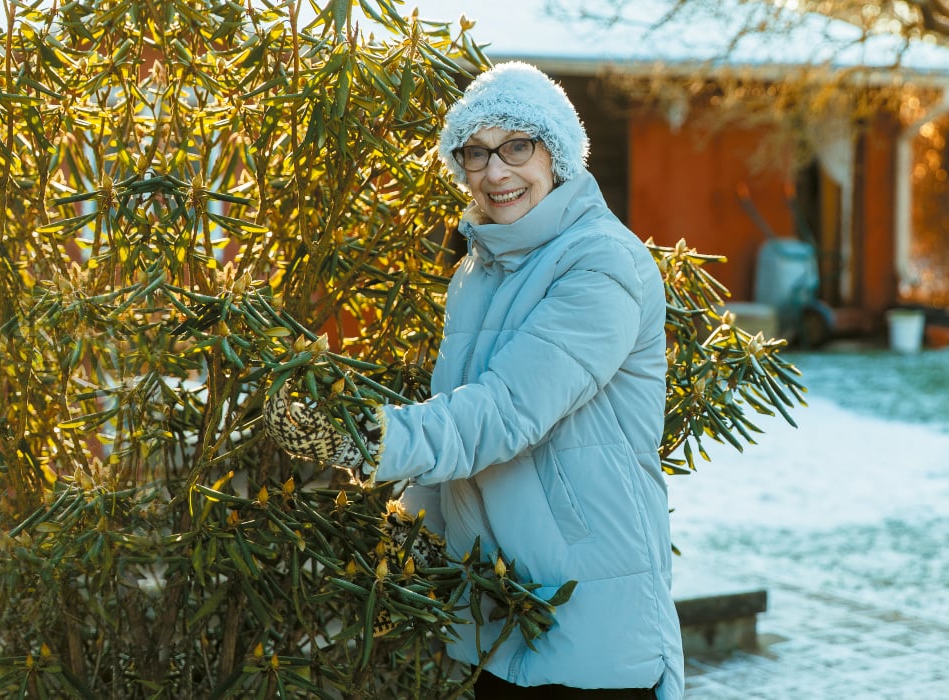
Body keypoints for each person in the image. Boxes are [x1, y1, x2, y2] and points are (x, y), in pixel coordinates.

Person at [264, 61, 682, 699]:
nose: (495, 171)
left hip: (589, 610)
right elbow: (453, 419)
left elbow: (502, 413)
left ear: (559, 154)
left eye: (518, 145)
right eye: (476, 152)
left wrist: (365, 439)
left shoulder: (603, 264)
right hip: (503, 609)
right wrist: (407, 536)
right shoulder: (482, 270)